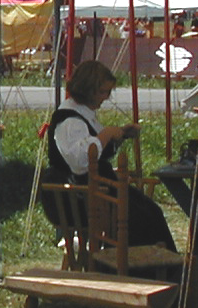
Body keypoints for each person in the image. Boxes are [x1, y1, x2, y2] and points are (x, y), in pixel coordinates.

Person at [45, 60, 176, 250]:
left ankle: (163, 265)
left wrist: (120, 134)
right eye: (102, 92)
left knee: (151, 212)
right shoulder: (69, 120)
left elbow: (95, 148)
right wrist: (106, 135)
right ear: (87, 90)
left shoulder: (83, 115)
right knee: (140, 218)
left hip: (97, 190)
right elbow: (80, 162)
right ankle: (136, 267)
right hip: (79, 197)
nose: (105, 97)